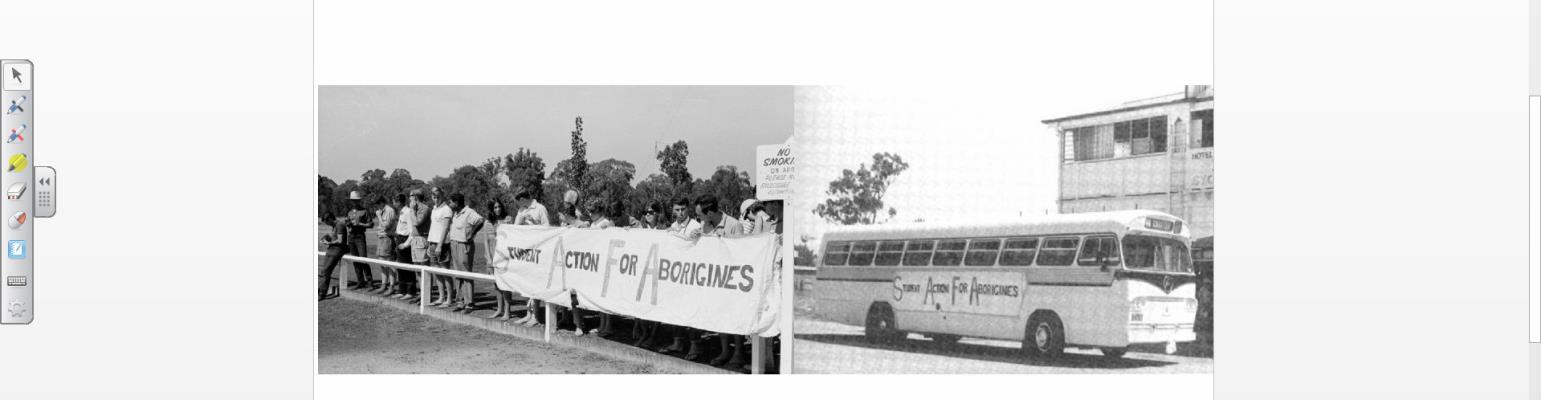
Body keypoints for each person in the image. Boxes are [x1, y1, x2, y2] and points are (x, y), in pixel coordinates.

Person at [696, 195, 747, 367]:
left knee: (734, 318)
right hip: (715, 279)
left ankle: (738, 354)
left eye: (701, 215)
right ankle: (725, 352)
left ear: (709, 213)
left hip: (732, 280)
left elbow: (741, 254)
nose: (700, 219)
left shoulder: (734, 225)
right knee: (721, 317)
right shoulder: (705, 226)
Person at [510, 190, 550, 327]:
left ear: (523, 198)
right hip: (524, 252)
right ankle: (528, 314)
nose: (518, 203)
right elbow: (515, 228)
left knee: (534, 283)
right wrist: (520, 220)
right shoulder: (521, 210)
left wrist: (533, 223)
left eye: (519, 200)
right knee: (525, 283)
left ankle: (536, 316)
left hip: (537, 251)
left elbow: (547, 228)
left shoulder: (540, 208)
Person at [447, 193, 485, 313]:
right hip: (454, 244)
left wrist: (472, 234)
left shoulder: (469, 212)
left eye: (451, 202)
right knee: (458, 274)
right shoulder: (456, 213)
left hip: (464, 245)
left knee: (466, 273)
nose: (450, 204)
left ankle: (469, 303)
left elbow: (480, 220)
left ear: (456, 202)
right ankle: (460, 301)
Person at [485, 198, 517, 320]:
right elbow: (486, 242)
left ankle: (507, 311)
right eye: (495, 207)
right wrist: (488, 259)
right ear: (491, 209)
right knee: (496, 285)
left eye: (499, 207)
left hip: (505, 258)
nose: (498, 209)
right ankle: (499, 309)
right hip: (492, 258)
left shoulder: (508, 220)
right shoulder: (488, 223)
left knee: (505, 285)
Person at [426, 188, 455, 308]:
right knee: (437, 271)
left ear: (442, 195)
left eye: (437, 196)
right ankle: (441, 297)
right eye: (433, 196)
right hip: (432, 243)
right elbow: (433, 228)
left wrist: (439, 245)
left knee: (444, 272)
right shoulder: (434, 209)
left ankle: (449, 299)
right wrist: (430, 244)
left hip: (442, 245)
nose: (435, 198)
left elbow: (445, 228)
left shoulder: (446, 209)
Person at [394, 192, 426, 302]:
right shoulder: (401, 212)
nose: (394, 203)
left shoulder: (408, 212)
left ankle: (410, 291)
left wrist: (406, 244)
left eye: (394, 201)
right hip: (399, 239)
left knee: (408, 267)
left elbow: (412, 231)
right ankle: (402, 290)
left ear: (398, 202)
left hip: (405, 241)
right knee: (400, 267)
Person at [345, 191, 375, 290]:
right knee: (355, 260)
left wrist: (360, 224)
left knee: (363, 259)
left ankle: (370, 282)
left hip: (360, 236)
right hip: (351, 237)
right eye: (353, 200)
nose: (354, 202)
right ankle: (360, 281)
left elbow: (371, 224)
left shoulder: (364, 211)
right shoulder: (349, 212)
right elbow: (348, 224)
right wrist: (348, 224)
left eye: (356, 200)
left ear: (359, 201)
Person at [318, 213, 349, 300]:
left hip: (337, 250)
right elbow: (335, 237)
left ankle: (322, 293)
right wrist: (327, 238)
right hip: (331, 249)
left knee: (326, 271)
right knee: (323, 271)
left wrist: (329, 243)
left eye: (327, 222)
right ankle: (321, 290)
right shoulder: (335, 226)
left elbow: (340, 240)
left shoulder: (339, 225)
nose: (327, 224)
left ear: (331, 219)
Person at [374, 198, 398, 296]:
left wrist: (379, 216)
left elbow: (386, 226)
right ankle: (384, 284)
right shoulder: (383, 211)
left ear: (382, 202)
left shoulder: (389, 211)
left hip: (387, 238)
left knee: (389, 263)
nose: (377, 207)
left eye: (378, 204)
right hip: (381, 238)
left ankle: (391, 286)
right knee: (382, 263)